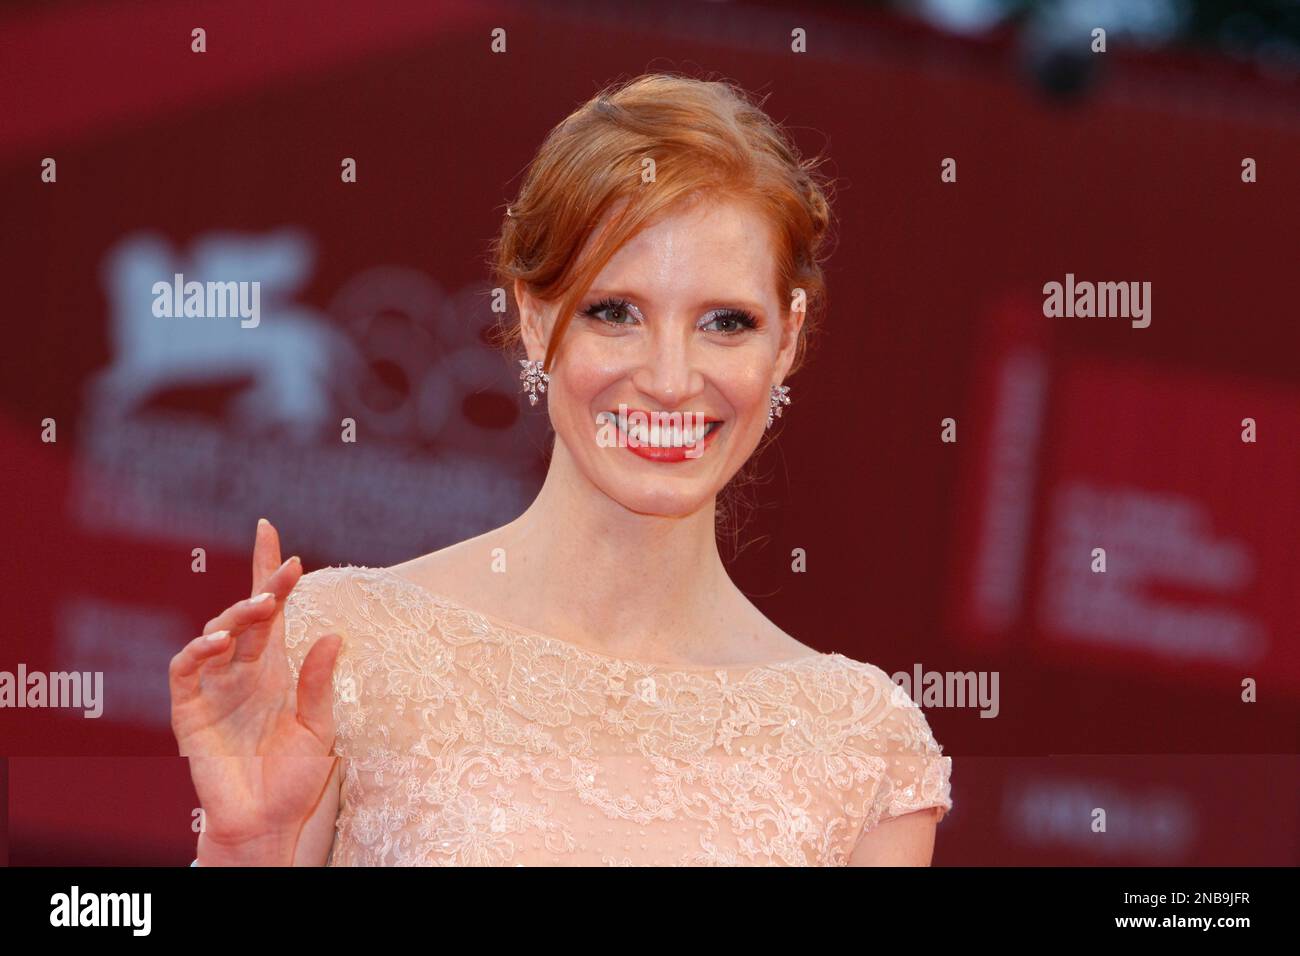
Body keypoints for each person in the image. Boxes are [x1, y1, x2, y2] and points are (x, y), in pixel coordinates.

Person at [169, 72, 953, 866]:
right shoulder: (343, 649)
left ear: (785, 341)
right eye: (615, 312)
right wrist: (248, 850)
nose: (672, 377)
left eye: (727, 322)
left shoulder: (862, 751)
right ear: (536, 319)